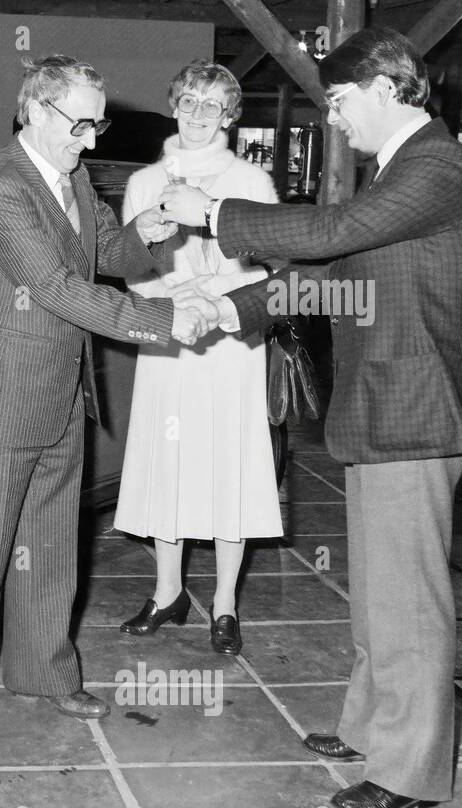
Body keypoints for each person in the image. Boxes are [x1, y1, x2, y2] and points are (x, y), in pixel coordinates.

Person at [160, 27, 462, 808]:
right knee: (381, 591)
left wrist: (214, 214)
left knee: (409, 600)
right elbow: (330, 278)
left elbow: (332, 234)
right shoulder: (402, 172)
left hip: (418, 410)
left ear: (387, 89)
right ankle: (372, 728)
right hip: (384, 407)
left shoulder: (438, 167)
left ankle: (409, 773)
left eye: (340, 102)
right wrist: (224, 307)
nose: (335, 120)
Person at [0, 54, 215, 742]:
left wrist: (143, 235)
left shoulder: (74, 178)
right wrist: (163, 321)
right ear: (35, 108)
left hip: (61, 394)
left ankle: (47, 674)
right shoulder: (3, 191)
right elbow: (56, 286)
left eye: (96, 124)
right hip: (0, 401)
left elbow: (103, 252)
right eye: (80, 125)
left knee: (52, 549)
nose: (91, 141)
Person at [114, 61, 284, 657]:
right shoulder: (144, 182)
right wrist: (169, 295)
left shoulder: (252, 183)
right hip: (169, 339)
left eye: (212, 105)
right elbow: (128, 269)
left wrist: (217, 294)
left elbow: (270, 271)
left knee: (227, 465)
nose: (197, 115)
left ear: (232, 116)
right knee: (169, 463)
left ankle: (226, 603)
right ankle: (167, 592)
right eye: (187, 101)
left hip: (231, 343)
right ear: (174, 104)